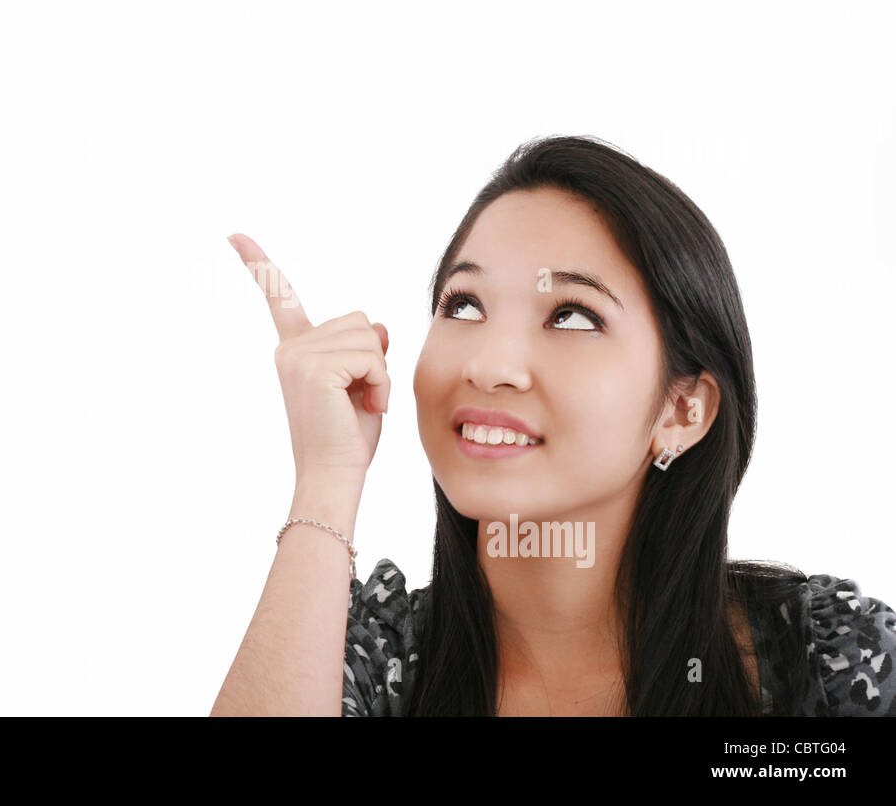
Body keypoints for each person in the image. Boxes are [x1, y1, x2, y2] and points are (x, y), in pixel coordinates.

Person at [209, 135, 896, 717]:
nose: (489, 364)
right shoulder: (361, 663)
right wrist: (327, 481)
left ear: (683, 411)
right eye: (466, 304)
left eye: (571, 315)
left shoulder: (826, 663)